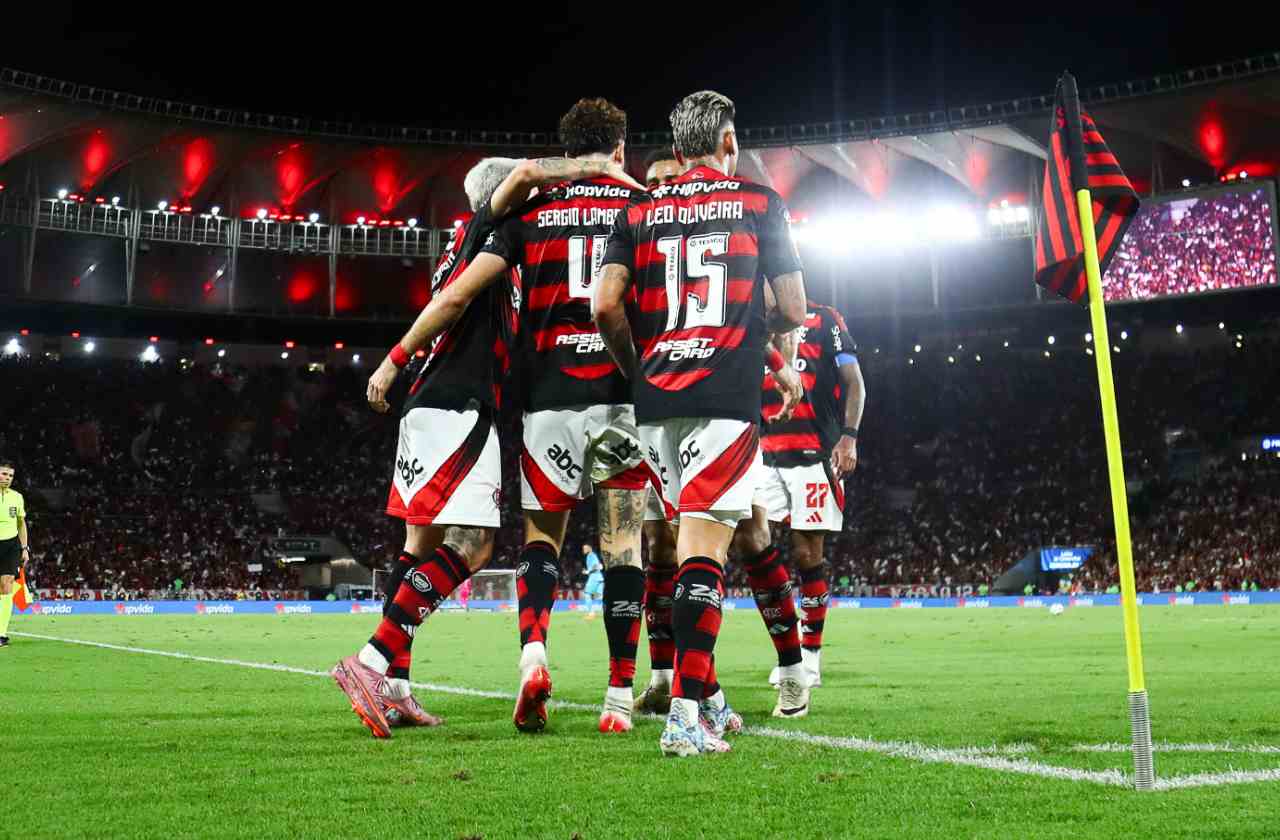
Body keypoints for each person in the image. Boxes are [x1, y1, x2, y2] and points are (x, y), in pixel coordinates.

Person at [332, 152, 635, 739]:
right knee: (473, 546)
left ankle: (395, 686)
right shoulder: (486, 229)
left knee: (418, 548)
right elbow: (521, 183)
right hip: (458, 405)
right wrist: (595, 166)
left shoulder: (474, 245)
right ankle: (370, 660)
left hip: (432, 405)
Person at [596, 90, 807, 756]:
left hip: (656, 400)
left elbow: (605, 305)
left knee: (685, 539)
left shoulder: (637, 211)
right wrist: (743, 327)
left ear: (677, 148)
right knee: (704, 552)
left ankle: (706, 703)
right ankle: (685, 719)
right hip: (723, 394)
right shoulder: (759, 204)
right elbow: (794, 308)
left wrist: (638, 368)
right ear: (728, 142)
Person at [454, 97, 650, 734]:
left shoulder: (533, 211)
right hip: (619, 397)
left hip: (547, 399)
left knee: (542, 541)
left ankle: (533, 656)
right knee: (623, 545)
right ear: (619, 148)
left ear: (566, 152)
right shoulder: (640, 208)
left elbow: (473, 284)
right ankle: (618, 697)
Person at [746, 299, 865, 700]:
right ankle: (789, 650)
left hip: (814, 454)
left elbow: (854, 381)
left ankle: (809, 654)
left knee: (806, 553)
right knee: (753, 545)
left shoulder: (825, 319)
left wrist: (849, 436)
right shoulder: (753, 319)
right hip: (762, 453)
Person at [0, 460, 30, 648]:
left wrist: (24, 548)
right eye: (4, 474)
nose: (7, 478)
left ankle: (1, 633)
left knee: (7, 585)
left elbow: (21, 523)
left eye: (10, 475)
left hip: (11, 545)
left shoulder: (17, 497)